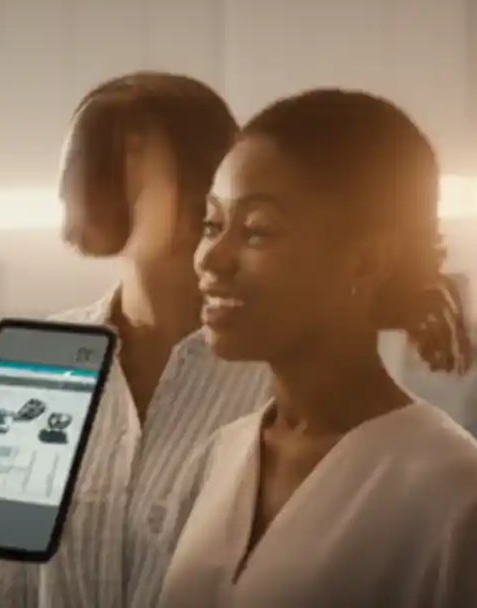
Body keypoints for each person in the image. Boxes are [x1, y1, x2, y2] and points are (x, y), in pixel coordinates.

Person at [157, 89, 477, 607]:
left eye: (258, 231)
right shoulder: (219, 457)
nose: (212, 258)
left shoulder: (452, 491)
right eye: (213, 224)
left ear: (366, 260)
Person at [0, 72, 272, 608]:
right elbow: (4, 585)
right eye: (88, 154)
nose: (99, 177)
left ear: (209, 180)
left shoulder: (276, 376)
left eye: (130, 153)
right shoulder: (39, 362)